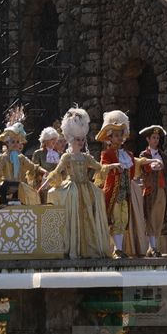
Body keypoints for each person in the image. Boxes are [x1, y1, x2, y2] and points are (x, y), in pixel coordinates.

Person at [40, 108, 111, 259]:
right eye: (77, 139)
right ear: (71, 139)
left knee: (88, 216)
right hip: (72, 189)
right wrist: (46, 184)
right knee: (71, 214)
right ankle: (72, 248)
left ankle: (88, 248)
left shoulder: (86, 157)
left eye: (82, 139)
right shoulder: (67, 156)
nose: (80, 142)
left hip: (86, 188)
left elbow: (99, 167)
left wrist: (113, 166)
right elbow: (57, 171)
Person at [94, 110, 145, 260]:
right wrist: (114, 166)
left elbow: (136, 165)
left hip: (125, 191)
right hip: (113, 190)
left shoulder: (128, 154)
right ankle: (116, 249)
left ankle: (120, 248)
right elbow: (103, 168)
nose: (119, 137)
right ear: (110, 137)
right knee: (115, 218)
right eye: (115, 135)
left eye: (120, 134)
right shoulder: (107, 153)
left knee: (123, 218)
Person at [0, 122, 41, 205]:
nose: (15, 144)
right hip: (5, 189)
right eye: (13, 142)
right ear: (7, 143)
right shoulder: (3, 158)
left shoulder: (21, 157)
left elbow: (32, 167)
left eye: (17, 142)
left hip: (18, 189)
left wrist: (46, 172)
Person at [134, 125, 167, 257]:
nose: (156, 140)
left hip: (161, 188)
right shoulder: (144, 155)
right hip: (150, 189)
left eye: (158, 138)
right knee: (151, 217)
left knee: (159, 217)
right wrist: (152, 166)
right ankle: (152, 247)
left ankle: (155, 246)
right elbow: (144, 169)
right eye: (153, 138)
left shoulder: (162, 154)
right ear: (148, 139)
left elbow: (166, 170)